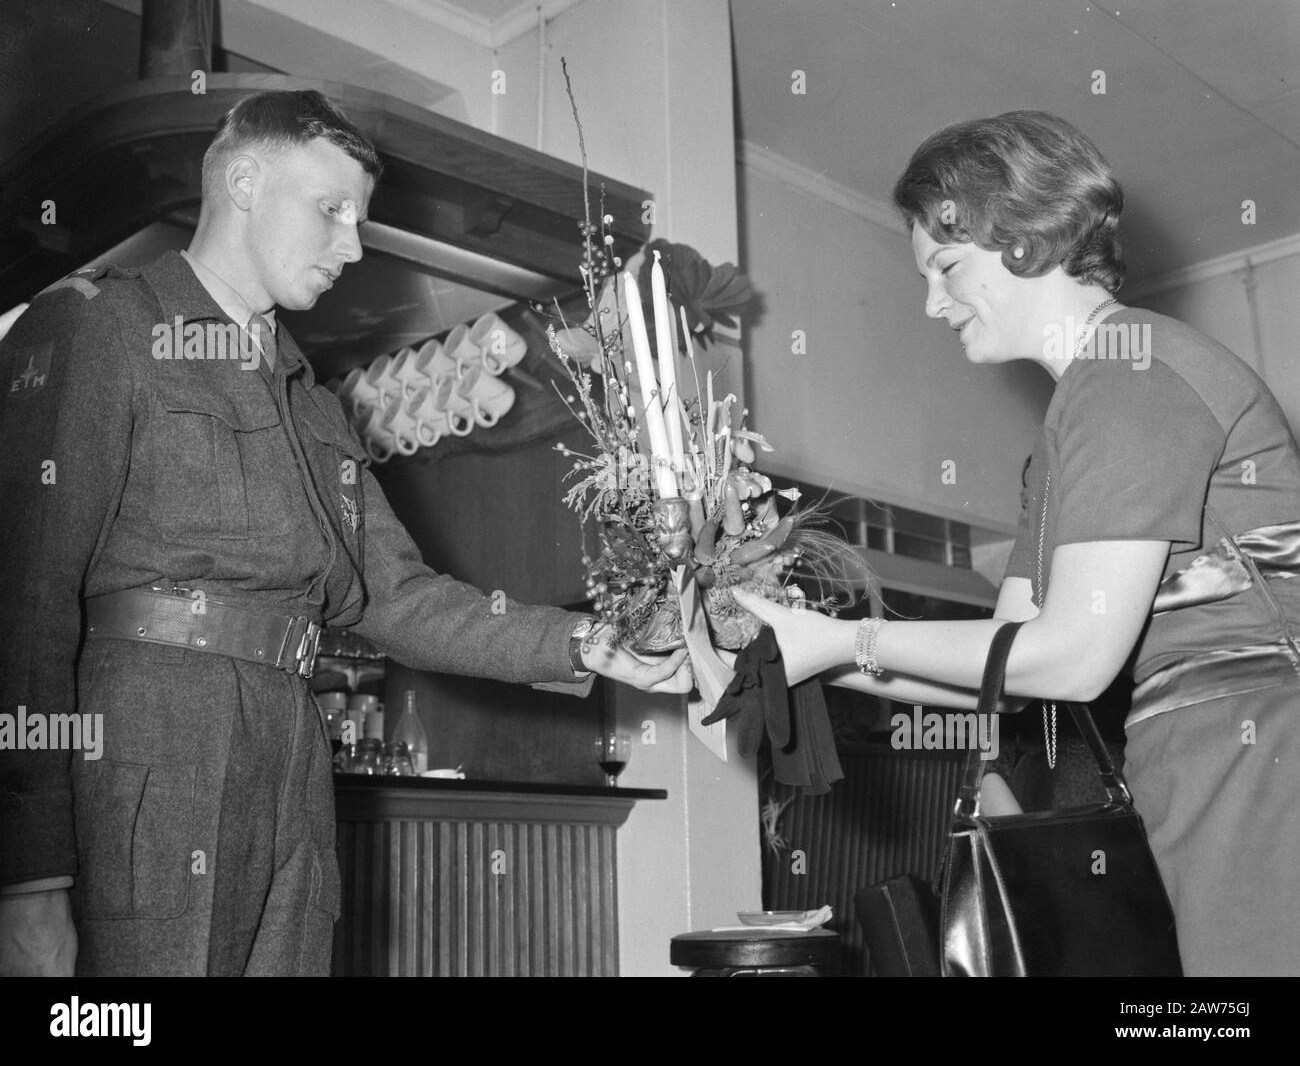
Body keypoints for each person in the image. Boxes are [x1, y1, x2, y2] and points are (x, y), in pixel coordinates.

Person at [0, 89, 692, 977]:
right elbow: (23, 605)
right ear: (243, 180)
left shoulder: (313, 401)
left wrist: (589, 641)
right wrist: (26, 879)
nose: (353, 245)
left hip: (292, 759)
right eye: (330, 209)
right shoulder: (105, 326)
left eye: (358, 219)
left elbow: (398, 599)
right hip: (145, 758)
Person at [734, 110, 1300, 976]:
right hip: (1195, 766)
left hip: (1257, 754)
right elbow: (1011, 670)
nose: (931, 303)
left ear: (1025, 240)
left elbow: (1070, 660)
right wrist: (805, 657)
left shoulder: (1132, 370)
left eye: (947, 267)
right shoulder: (1076, 418)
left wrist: (846, 639)